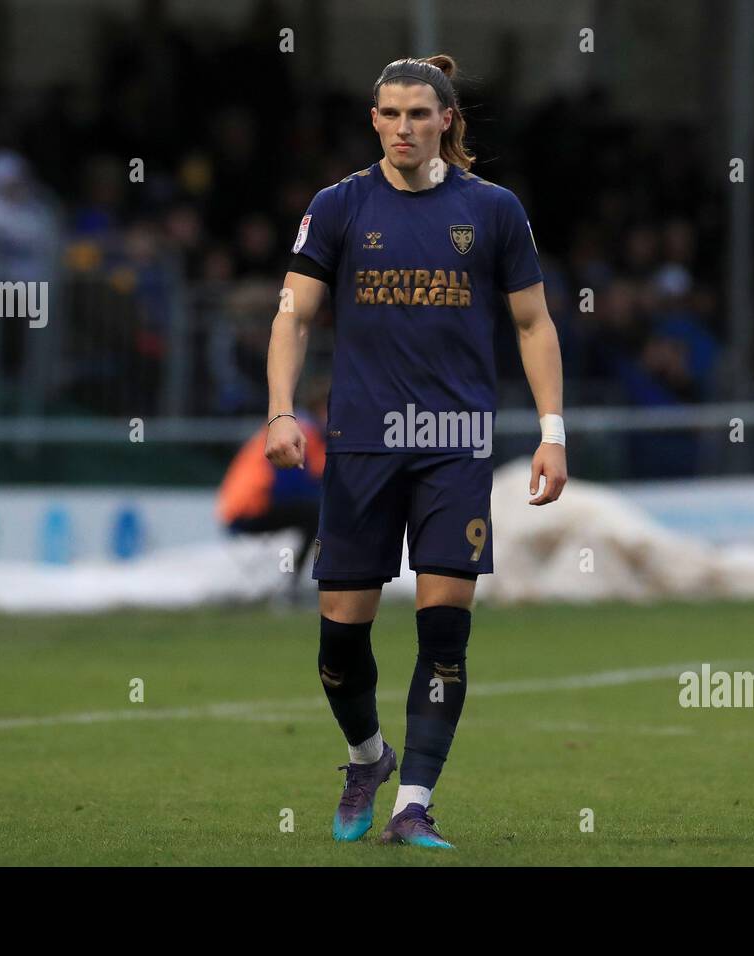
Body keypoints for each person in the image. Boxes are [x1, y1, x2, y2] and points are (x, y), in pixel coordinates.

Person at [264, 55, 567, 849]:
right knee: (339, 640)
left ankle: (414, 806)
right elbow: (293, 317)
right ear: (375, 122)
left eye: (418, 114)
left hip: (453, 448)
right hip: (361, 445)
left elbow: (534, 325)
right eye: (390, 114)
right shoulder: (337, 208)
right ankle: (368, 759)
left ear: (446, 120)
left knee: (444, 634)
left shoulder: (494, 212)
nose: (403, 127)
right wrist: (281, 411)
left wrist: (551, 433)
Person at [216, 388, 328, 599]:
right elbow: (291, 484)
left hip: (242, 506)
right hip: (249, 509)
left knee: (318, 512)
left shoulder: (299, 429)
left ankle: (301, 583)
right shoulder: (300, 432)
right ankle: (295, 586)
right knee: (318, 513)